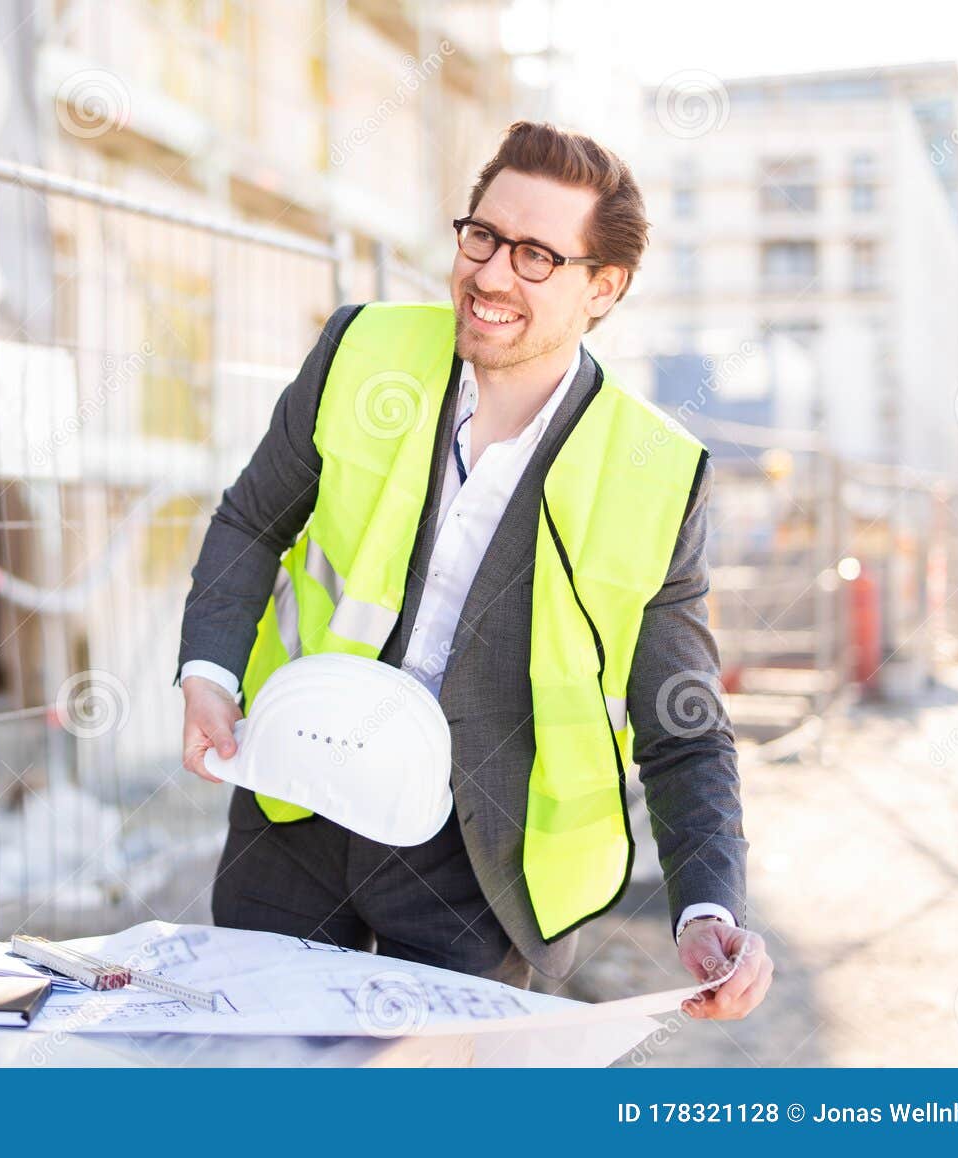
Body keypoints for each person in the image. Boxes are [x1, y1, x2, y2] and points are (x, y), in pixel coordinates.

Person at [175, 121, 771, 1019]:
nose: (490, 274)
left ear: (603, 288)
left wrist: (708, 904)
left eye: (537, 256)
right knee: (256, 1088)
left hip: (477, 863)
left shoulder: (657, 474)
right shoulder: (360, 352)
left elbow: (682, 726)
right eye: (483, 236)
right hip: (295, 799)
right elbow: (252, 521)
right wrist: (210, 673)